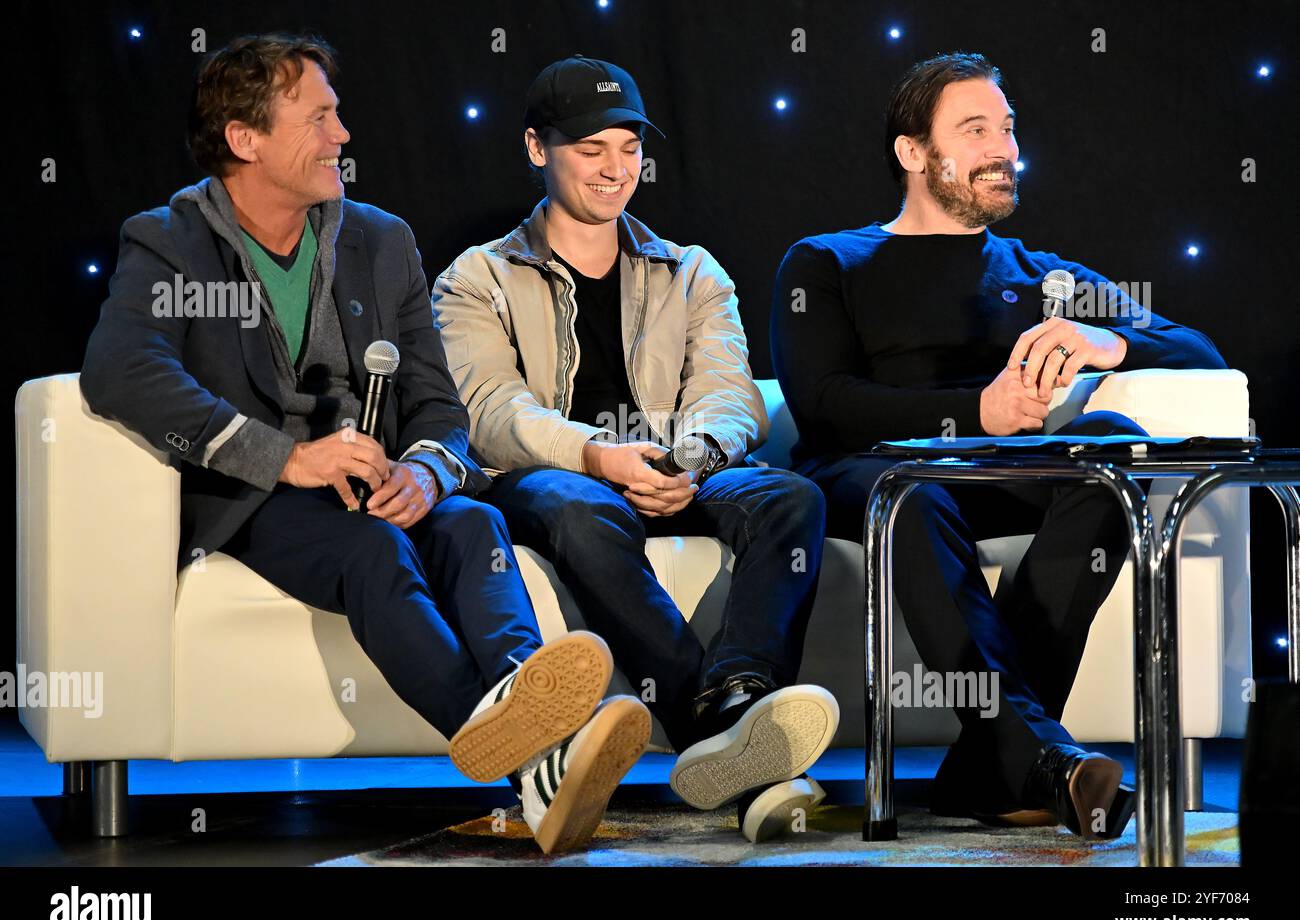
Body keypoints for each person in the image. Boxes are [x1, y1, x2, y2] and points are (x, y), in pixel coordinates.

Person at [78, 33, 650, 855]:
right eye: (318, 118)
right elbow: (120, 370)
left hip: (379, 484)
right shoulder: (169, 239)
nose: (342, 136)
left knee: (471, 527)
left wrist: (426, 469)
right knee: (375, 552)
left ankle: (534, 733)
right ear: (246, 139)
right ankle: (538, 755)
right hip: (264, 500)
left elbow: (437, 403)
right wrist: (283, 457)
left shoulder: (381, 241)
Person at [771, 52, 1227, 840]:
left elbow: (1198, 350)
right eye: (975, 129)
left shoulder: (1040, 272)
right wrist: (975, 410)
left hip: (994, 474)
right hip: (867, 475)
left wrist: (1106, 340)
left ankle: (991, 765)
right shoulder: (826, 262)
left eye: (1008, 130)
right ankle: (1045, 762)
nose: (1003, 149)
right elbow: (822, 406)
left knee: (1109, 448)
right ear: (912, 153)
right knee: (913, 492)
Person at [433, 56, 839, 843]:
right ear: (535, 148)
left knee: (792, 496)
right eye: (591, 150)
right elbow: (491, 413)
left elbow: (732, 391)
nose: (616, 169)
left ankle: (739, 688)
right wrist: (595, 454)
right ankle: (715, 730)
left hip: (669, 468)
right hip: (555, 476)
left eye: (627, 147)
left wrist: (691, 459)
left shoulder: (691, 270)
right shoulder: (476, 277)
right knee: (581, 509)